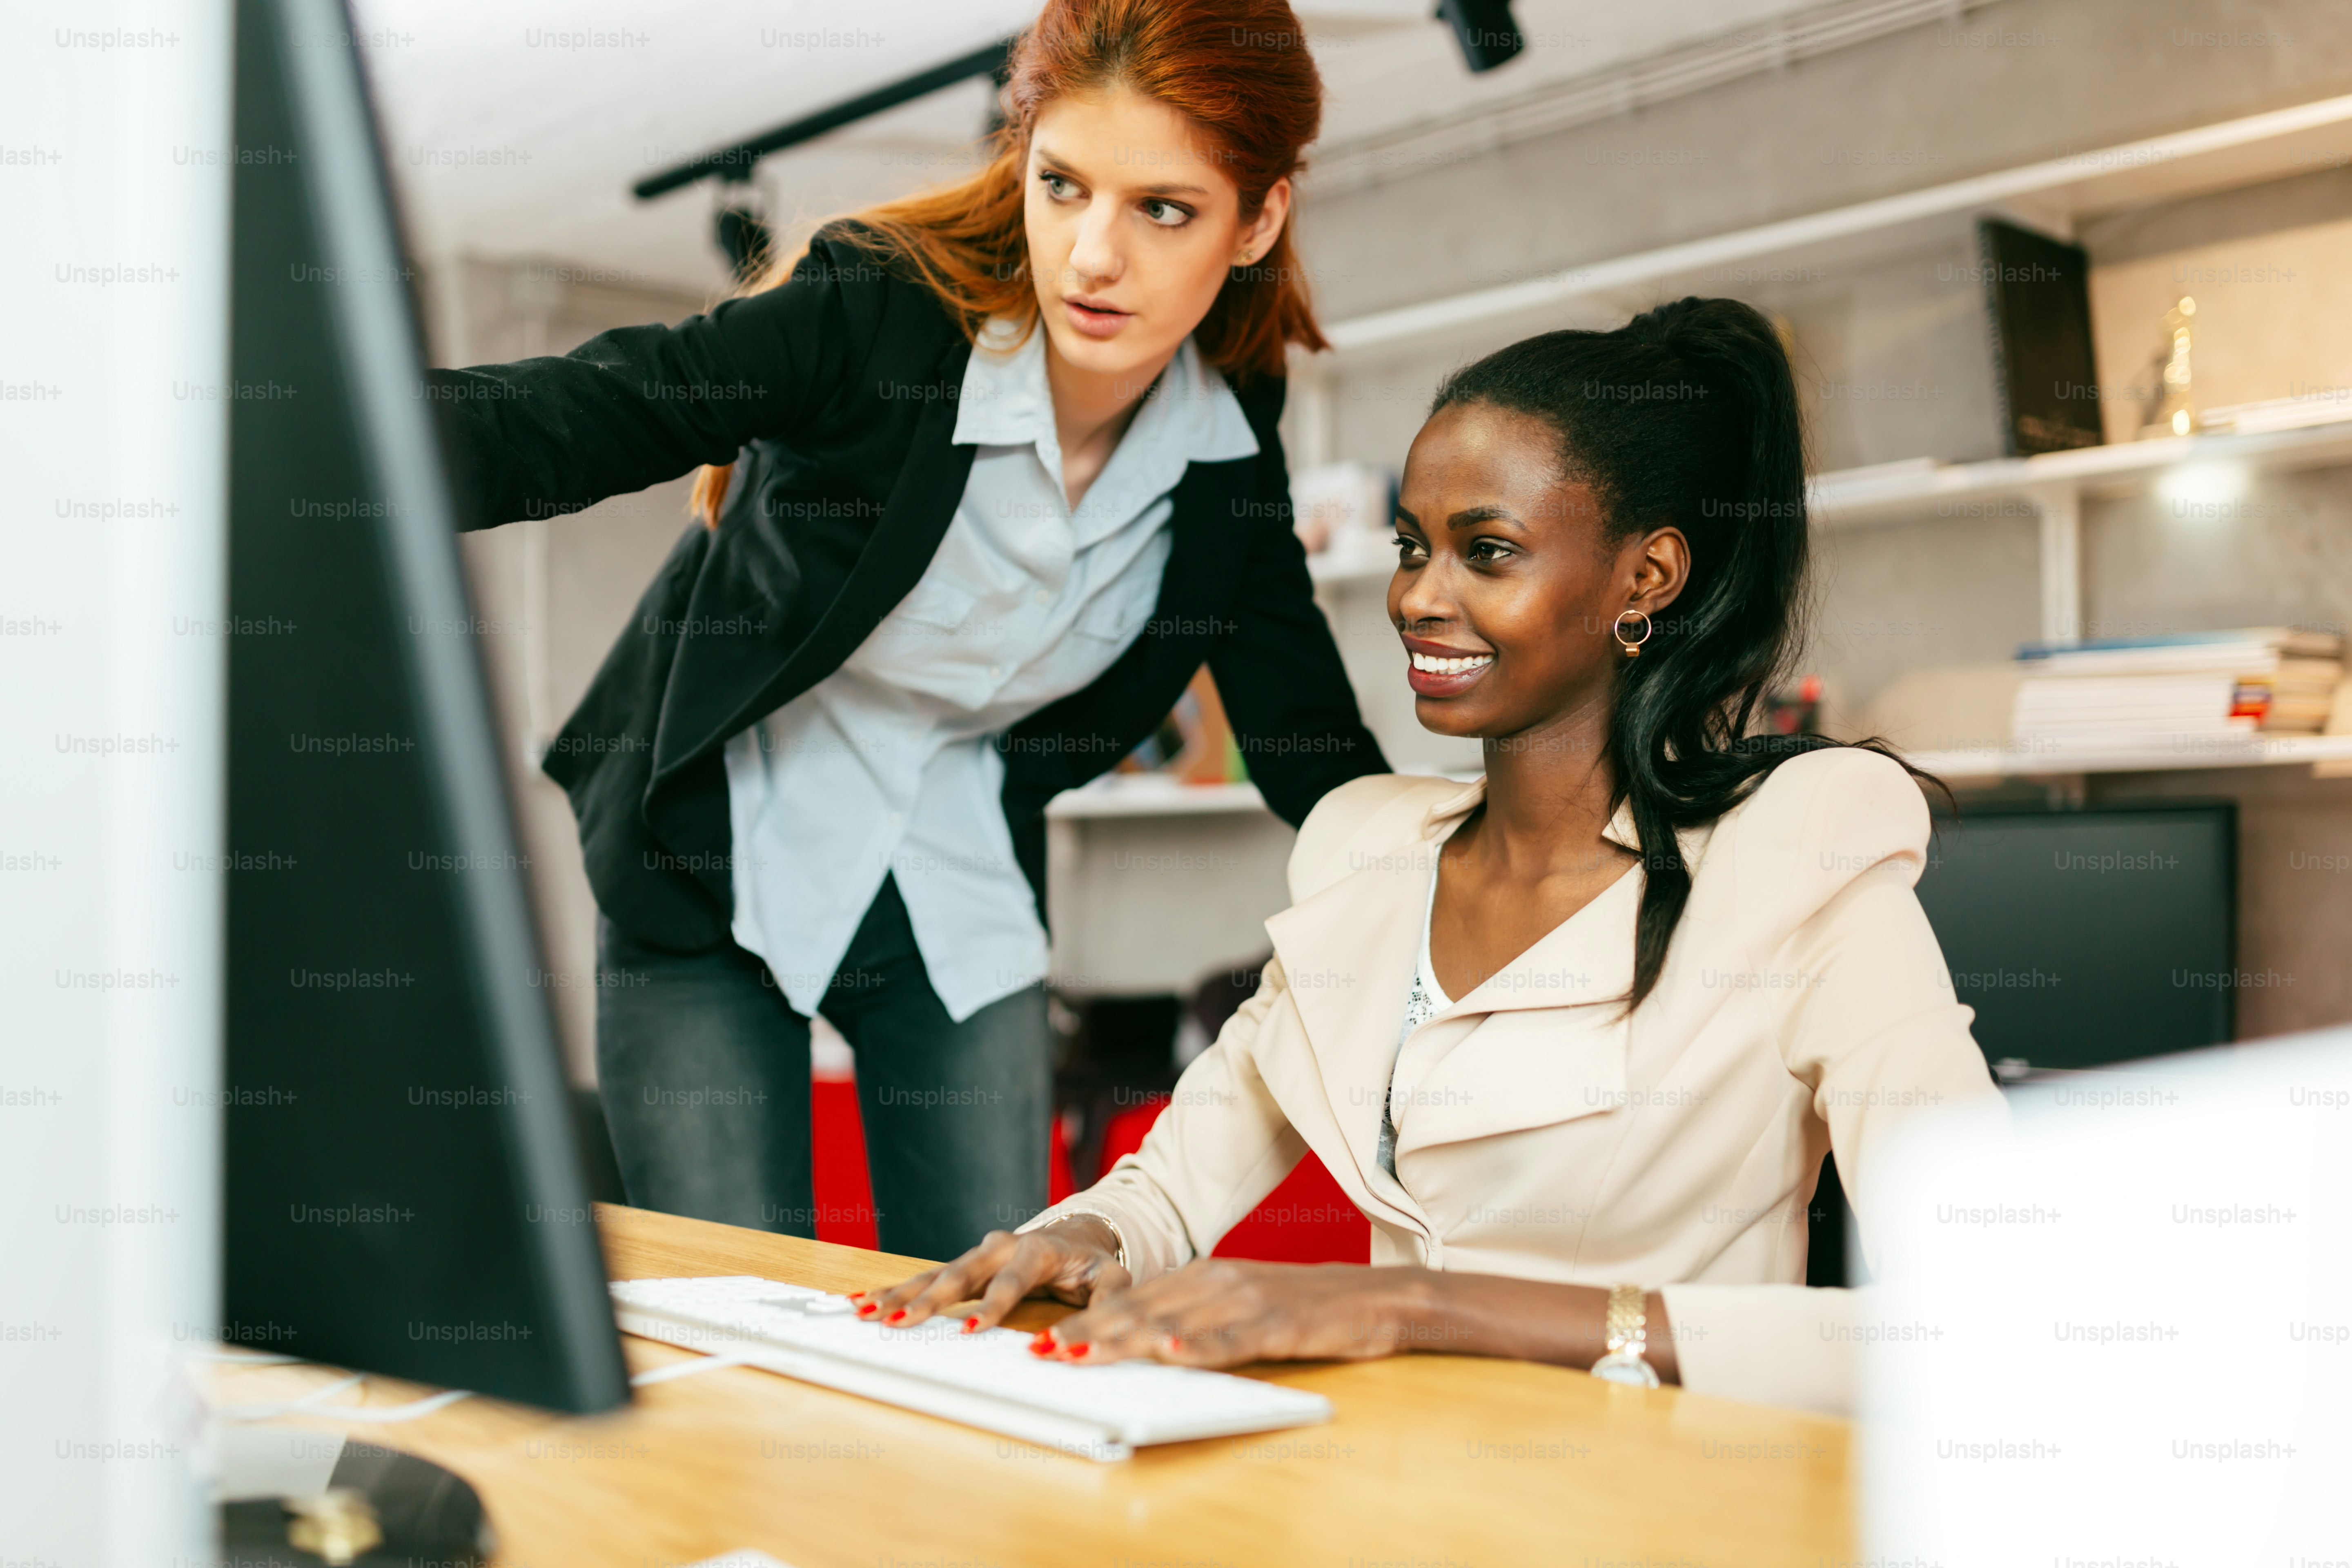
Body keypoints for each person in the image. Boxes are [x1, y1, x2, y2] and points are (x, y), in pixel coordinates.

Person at [853, 296, 2009, 1415]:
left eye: (1486, 552)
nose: (1418, 597)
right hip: (1394, 1493)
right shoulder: (1370, 854)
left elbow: (1983, 1317)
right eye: (1413, 547)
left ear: (1645, 577)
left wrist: (1411, 1303)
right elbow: (1170, 1187)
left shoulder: (1799, 863)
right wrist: (1078, 1241)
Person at [422, 0, 1384, 1261]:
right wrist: (315, 438)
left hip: (951, 876)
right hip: (716, 850)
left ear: (1256, 222)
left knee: (993, 1295)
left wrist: (1463, 874)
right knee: (739, 1314)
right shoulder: (878, 314)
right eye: (1064, 185)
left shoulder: (1228, 434)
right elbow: (591, 413)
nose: (1094, 254)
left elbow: (1302, 726)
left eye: (1164, 208)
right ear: (1022, 159)